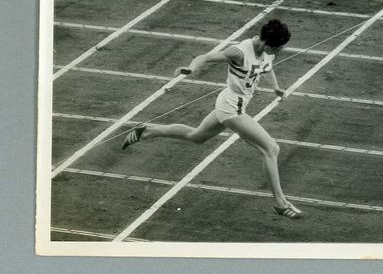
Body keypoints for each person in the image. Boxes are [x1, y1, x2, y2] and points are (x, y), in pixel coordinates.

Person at [121, 19, 304, 220]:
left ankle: (146, 131)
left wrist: (275, 87)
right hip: (232, 109)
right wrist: (190, 69)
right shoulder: (240, 52)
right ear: (267, 42)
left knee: (196, 136)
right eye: (278, 48)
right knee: (271, 149)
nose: (279, 52)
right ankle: (280, 202)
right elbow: (206, 57)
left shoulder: (265, 52)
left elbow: (267, 69)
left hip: (229, 104)